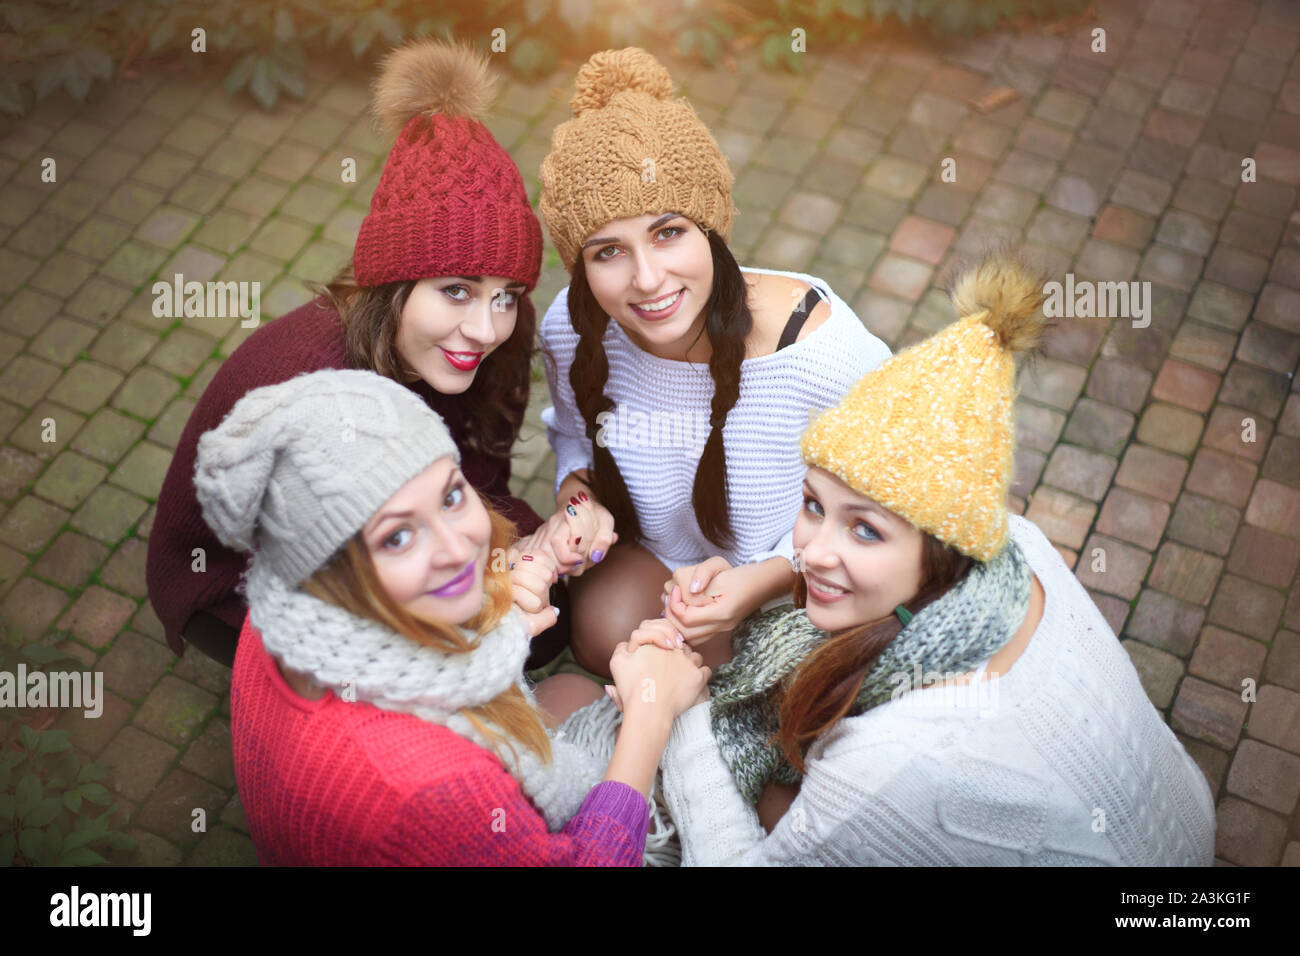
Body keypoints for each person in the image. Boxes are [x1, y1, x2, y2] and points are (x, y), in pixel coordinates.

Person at [628, 252, 1217, 865]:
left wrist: (684, 719)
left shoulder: (888, 760)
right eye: (812, 504)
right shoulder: (1018, 543)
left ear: (940, 551)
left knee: (768, 790)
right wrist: (761, 581)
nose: (812, 550)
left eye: (867, 531)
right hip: (1177, 822)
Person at [146, 38, 570, 668]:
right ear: (394, 284)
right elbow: (340, 577)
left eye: (506, 295)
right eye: (455, 290)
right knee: (490, 642)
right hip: (245, 587)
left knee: (553, 614)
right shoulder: (310, 389)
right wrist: (493, 597)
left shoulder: (486, 333)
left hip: (400, 530)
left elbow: (481, 479)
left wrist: (553, 535)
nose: (485, 328)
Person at [196, 368, 710, 865]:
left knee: (574, 693)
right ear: (332, 578)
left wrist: (508, 594)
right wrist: (651, 716)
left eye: (450, 495)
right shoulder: (429, 785)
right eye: (396, 537)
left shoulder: (283, 617)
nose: (458, 546)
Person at [528, 47, 892, 679]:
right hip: (670, 572)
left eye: (669, 233)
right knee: (603, 630)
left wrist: (769, 579)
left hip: (805, 571)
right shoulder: (571, 327)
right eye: (608, 250)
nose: (647, 279)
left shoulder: (820, 352)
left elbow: (885, 506)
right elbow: (572, 439)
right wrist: (576, 502)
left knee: (797, 687)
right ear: (580, 265)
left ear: (712, 230)